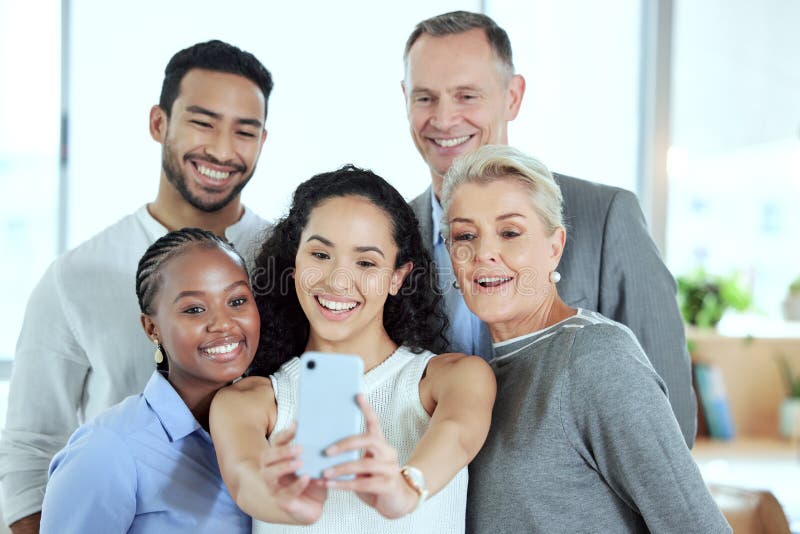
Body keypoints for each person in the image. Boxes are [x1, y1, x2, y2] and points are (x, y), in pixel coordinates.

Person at [0, 40, 273, 533]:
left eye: (244, 131)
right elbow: (29, 446)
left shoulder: (288, 260)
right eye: (202, 122)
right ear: (158, 123)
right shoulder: (75, 276)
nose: (222, 149)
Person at [402, 10, 697, 446]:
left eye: (467, 96)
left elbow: (669, 419)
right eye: (425, 98)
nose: (444, 119)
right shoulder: (392, 237)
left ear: (513, 97)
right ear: (405, 98)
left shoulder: (605, 216)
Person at [441, 145, 729, 533]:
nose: (484, 252)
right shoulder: (482, 375)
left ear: (554, 247)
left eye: (510, 232)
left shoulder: (596, 358)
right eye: (465, 235)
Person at [210, 165, 496, 533]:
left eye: (365, 262)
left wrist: (406, 487)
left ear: (397, 277)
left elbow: (457, 433)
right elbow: (243, 477)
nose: (338, 281)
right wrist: (287, 502)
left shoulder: (453, 378)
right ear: (293, 263)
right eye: (320, 255)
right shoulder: (249, 402)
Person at [40, 228, 258, 532]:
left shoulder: (271, 429)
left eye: (237, 301)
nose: (223, 324)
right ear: (152, 328)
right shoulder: (107, 449)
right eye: (194, 309)